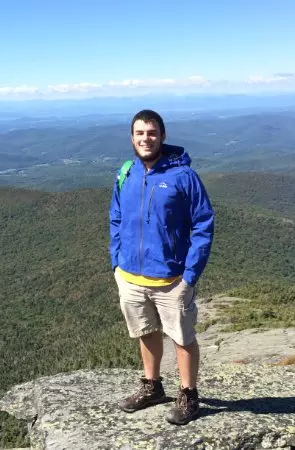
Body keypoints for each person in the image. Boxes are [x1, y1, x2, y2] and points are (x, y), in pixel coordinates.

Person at [109, 109, 214, 425]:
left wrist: (190, 275)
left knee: (182, 337)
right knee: (146, 331)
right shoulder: (126, 173)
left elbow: (203, 224)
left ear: (163, 136)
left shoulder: (183, 177)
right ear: (132, 137)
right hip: (130, 277)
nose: (145, 138)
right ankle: (152, 386)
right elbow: (116, 217)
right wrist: (117, 262)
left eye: (151, 132)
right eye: (140, 133)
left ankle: (188, 394)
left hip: (172, 279)